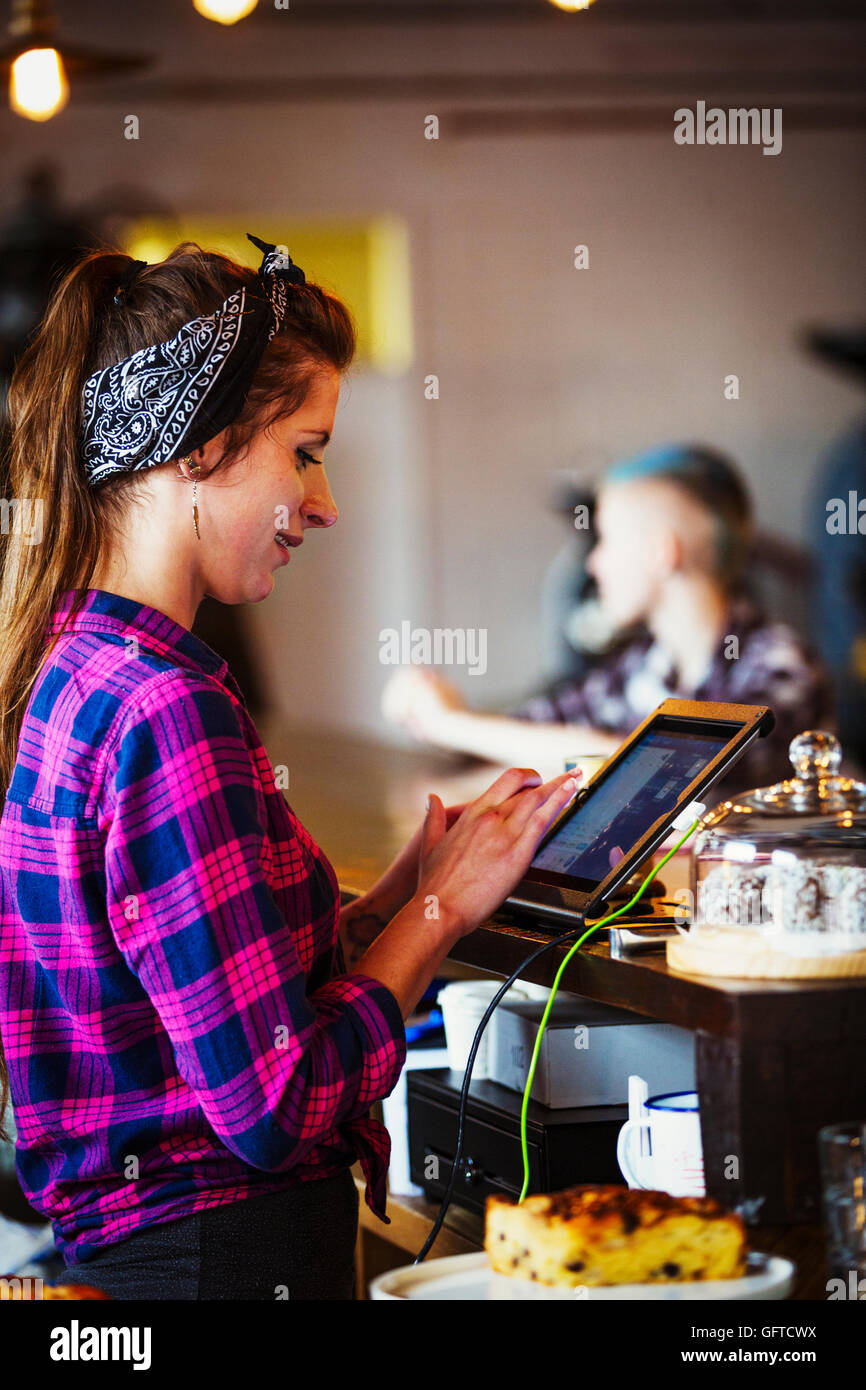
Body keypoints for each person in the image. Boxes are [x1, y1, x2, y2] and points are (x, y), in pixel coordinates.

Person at [0, 235, 581, 1300]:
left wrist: (403, 893)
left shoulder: (78, 670)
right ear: (198, 449)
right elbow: (273, 1104)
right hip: (223, 1259)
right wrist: (441, 913)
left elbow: (219, 1015)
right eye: (306, 451)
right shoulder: (166, 709)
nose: (324, 503)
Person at [382, 444, 831, 798]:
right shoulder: (641, 668)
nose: (594, 563)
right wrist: (434, 711)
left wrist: (450, 724)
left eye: (608, 539)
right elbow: (533, 729)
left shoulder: (781, 663)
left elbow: (659, 773)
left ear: (661, 551)